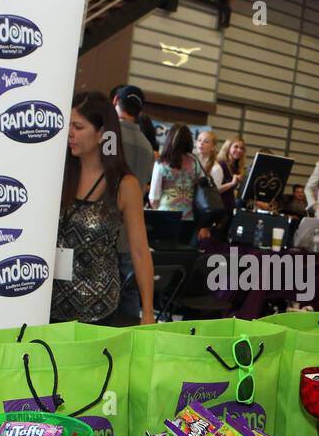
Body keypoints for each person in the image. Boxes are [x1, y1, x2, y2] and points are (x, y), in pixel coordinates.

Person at [50, 91, 154, 325]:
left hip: (99, 308)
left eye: (78, 127)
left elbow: (139, 249)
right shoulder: (59, 174)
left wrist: (147, 312)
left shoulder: (124, 185)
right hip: (48, 304)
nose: (70, 134)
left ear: (101, 134)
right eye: (68, 126)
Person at [111, 85, 156, 318]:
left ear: (115, 100)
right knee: (129, 296)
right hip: (132, 234)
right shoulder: (147, 146)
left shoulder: (109, 135)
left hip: (106, 233)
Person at [149, 124, 205, 243]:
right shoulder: (194, 161)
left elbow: (154, 197)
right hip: (189, 217)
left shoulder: (161, 163)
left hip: (165, 216)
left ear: (169, 139)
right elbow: (202, 187)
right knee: (182, 255)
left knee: (164, 255)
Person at [211, 137, 245, 211]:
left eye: (241, 148)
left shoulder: (236, 167)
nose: (239, 150)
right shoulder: (220, 165)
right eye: (236, 147)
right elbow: (214, 190)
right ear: (228, 148)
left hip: (229, 206)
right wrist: (232, 183)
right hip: (218, 207)